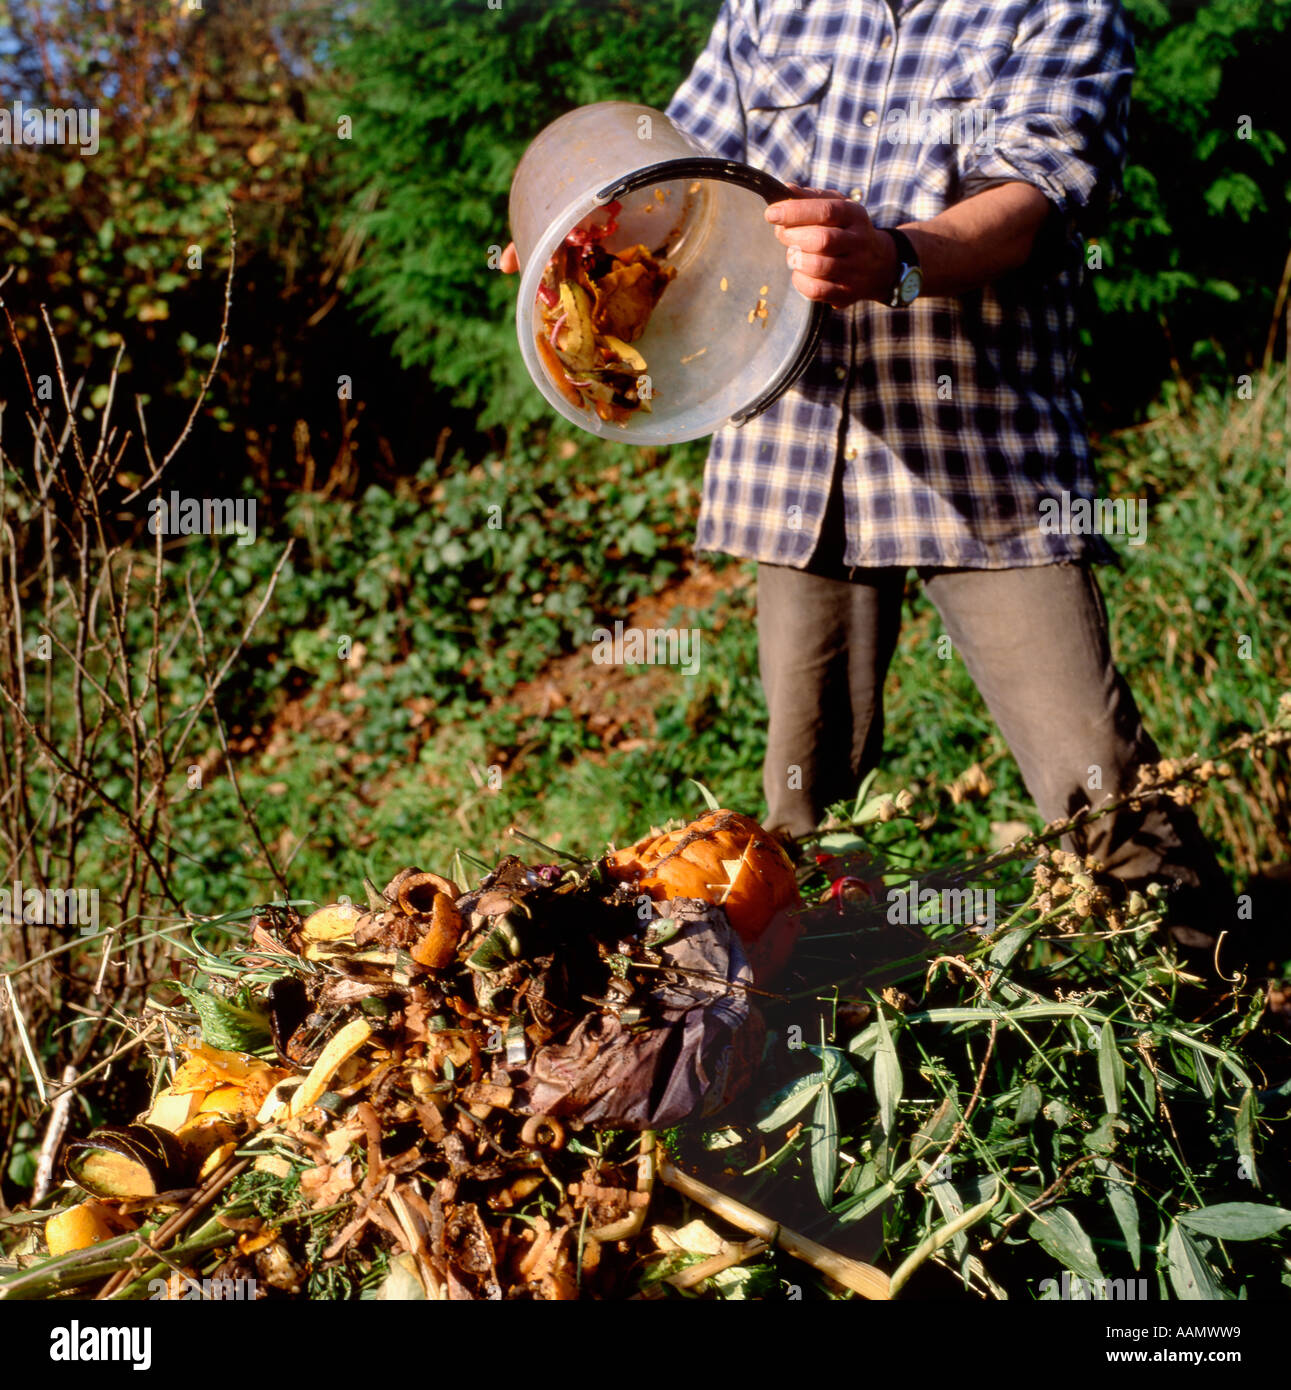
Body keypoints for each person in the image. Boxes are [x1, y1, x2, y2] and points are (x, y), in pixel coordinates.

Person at [502, 0, 1240, 972]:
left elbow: (1029, 203)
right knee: (801, 808)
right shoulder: (774, 10)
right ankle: (824, 1034)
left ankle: (1224, 1006)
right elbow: (673, 183)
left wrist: (895, 257)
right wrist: (574, 242)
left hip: (983, 453)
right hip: (799, 447)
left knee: (1096, 781)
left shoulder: (1058, 11)